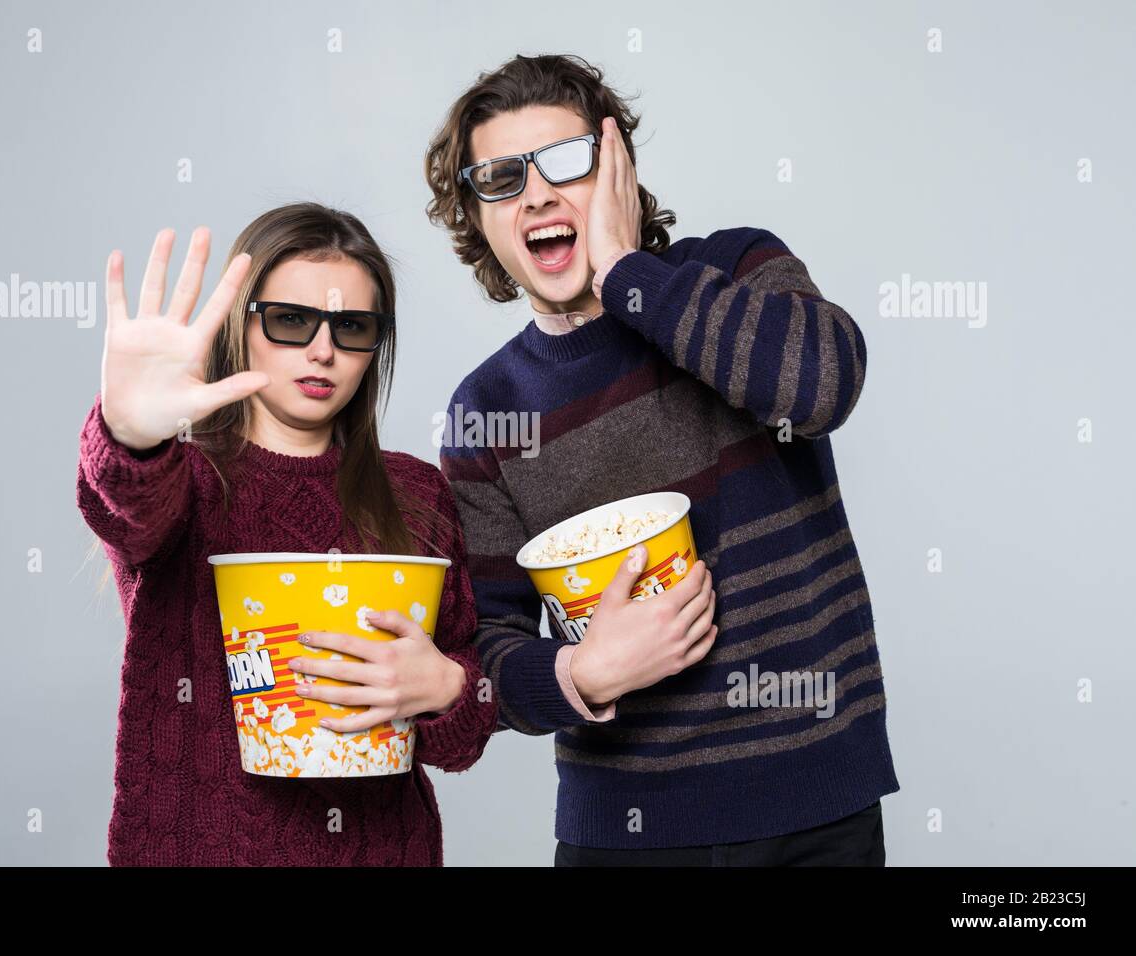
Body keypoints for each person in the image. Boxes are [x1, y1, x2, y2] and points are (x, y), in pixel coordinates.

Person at [425, 54, 899, 865]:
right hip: (623, 836)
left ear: (619, 171)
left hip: (817, 811)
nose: (536, 194)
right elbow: (486, 654)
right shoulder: (485, 413)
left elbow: (823, 386)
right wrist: (584, 672)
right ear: (479, 215)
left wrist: (624, 276)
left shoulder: (737, 268)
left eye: (565, 163)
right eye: (501, 178)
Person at [76, 203, 497, 866]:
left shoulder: (416, 493)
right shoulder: (180, 476)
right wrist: (130, 434)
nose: (323, 350)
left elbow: (464, 724)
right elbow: (126, 502)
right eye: (292, 320)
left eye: (352, 327)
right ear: (241, 325)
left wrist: (446, 688)